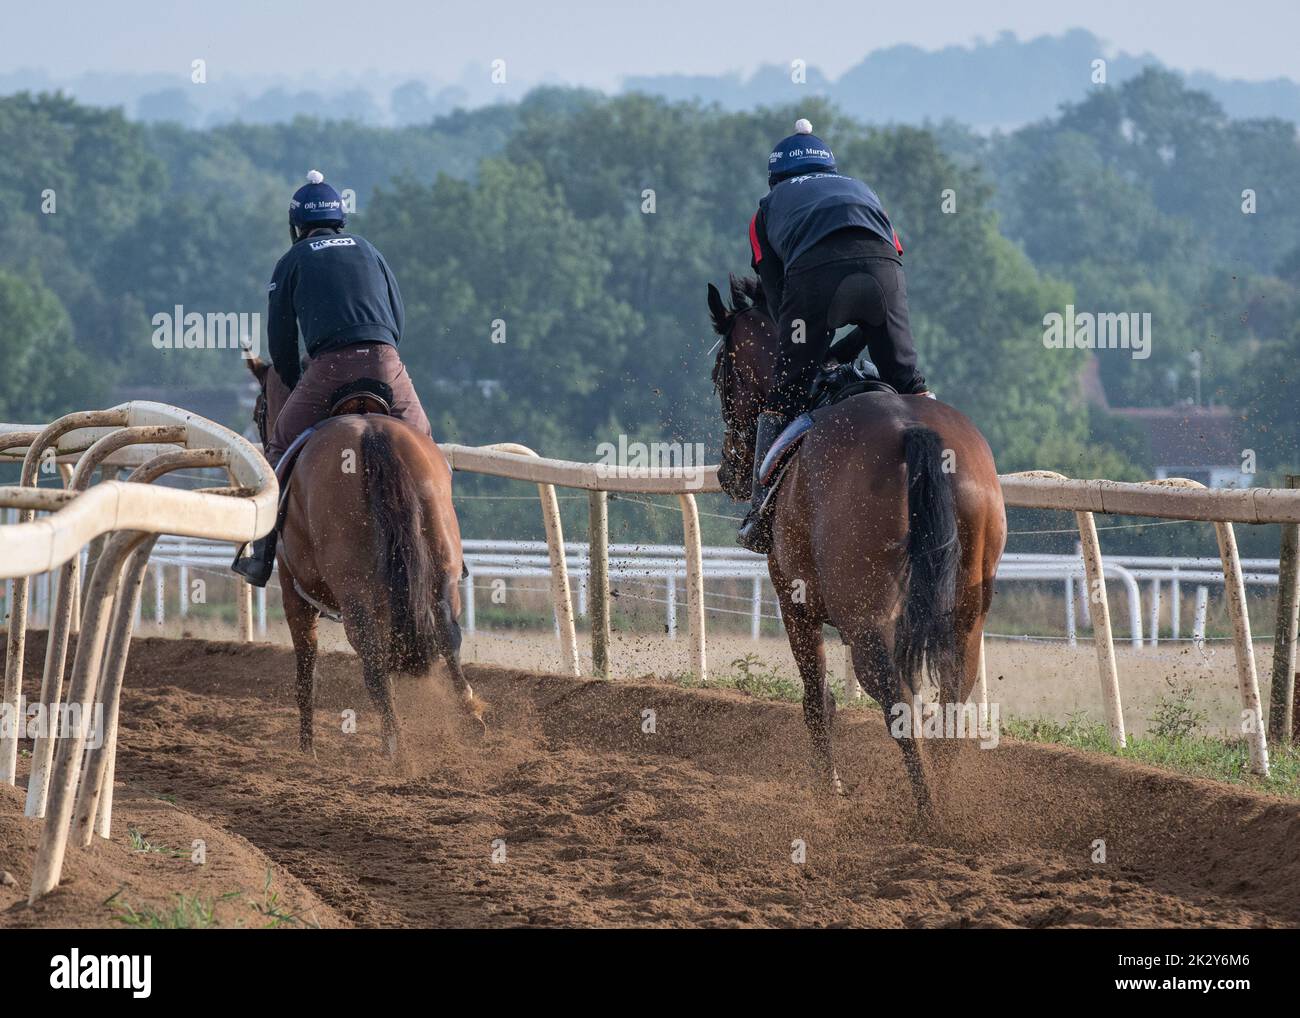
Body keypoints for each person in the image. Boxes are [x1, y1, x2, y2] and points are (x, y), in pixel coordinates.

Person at [737, 120, 932, 552]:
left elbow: (776, 300)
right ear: (831, 170)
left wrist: (813, 355)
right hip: (884, 278)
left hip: (814, 280)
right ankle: (941, 463)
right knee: (910, 387)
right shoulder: (863, 190)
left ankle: (759, 514)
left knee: (784, 398)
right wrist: (868, 338)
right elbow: (892, 258)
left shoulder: (767, 209)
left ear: (775, 179)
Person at [232, 170, 431, 585]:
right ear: (341, 218)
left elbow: (280, 338)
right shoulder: (370, 249)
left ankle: (261, 552)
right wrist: (384, 354)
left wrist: (291, 378)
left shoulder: (291, 261)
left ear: (296, 226)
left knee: (279, 446)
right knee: (425, 447)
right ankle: (444, 548)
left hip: (330, 368)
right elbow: (398, 315)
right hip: (385, 361)